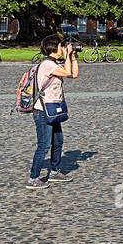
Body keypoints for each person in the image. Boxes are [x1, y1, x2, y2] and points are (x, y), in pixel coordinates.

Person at [27, 33, 78, 188]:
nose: (63, 48)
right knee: (44, 145)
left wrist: (72, 57)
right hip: (43, 111)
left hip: (53, 110)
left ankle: (55, 171)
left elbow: (74, 74)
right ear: (54, 48)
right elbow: (67, 72)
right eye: (62, 46)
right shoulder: (47, 65)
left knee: (58, 141)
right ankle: (33, 178)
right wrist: (67, 55)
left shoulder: (54, 63)